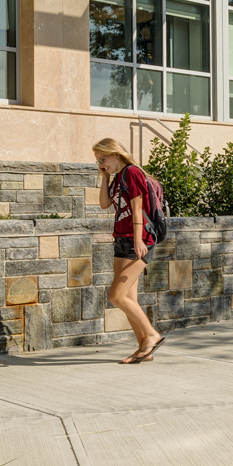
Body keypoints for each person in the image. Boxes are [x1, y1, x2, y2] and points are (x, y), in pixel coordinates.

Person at [93, 138, 165, 365]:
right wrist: (105, 177)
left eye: (103, 159)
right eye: (98, 161)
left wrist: (138, 240)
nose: (101, 164)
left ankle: (151, 335)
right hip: (121, 240)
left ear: (115, 154)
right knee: (129, 298)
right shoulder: (117, 178)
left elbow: (137, 208)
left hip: (139, 240)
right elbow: (104, 204)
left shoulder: (132, 172)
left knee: (116, 295)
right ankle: (144, 347)